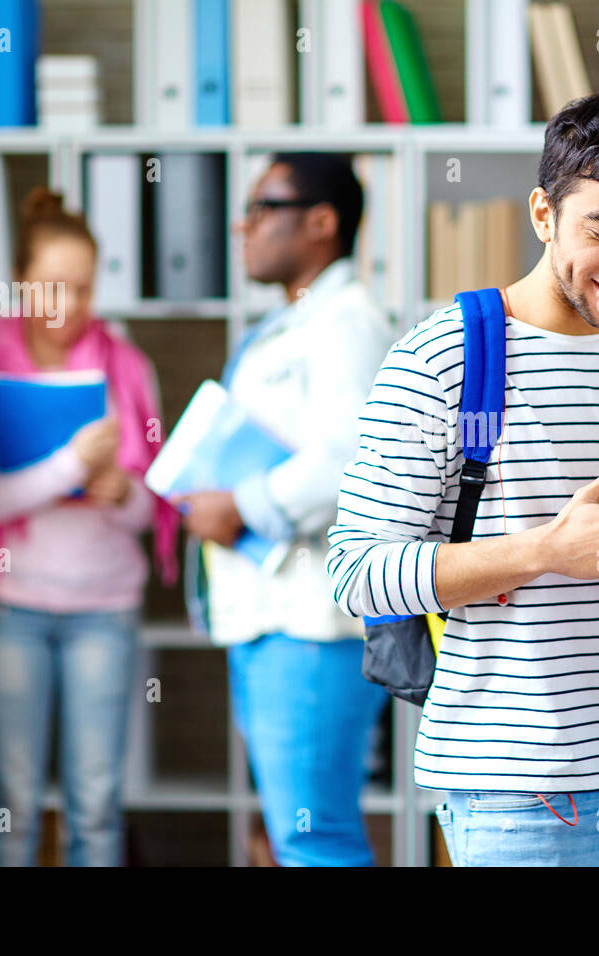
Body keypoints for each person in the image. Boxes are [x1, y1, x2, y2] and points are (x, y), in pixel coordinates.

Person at [326, 92, 599, 867]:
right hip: (517, 791)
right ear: (543, 214)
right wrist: (546, 548)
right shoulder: (443, 361)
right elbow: (356, 575)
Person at [175, 152, 395, 866]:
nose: (243, 225)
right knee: (295, 833)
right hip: (272, 618)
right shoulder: (296, 320)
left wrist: (238, 505)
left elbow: (349, 459)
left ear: (322, 222)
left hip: (311, 624)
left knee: (313, 837)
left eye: (263, 207)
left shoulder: (346, 321)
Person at [0, 187, 177, 866]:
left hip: (104, 610)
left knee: (97, 808)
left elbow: (155, 503)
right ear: (20, 282)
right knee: (13, 807)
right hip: (15, 609)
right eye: (53, 289)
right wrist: (68, 466)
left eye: (82, 289)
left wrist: (119, 492)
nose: (70, 307)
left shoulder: (128, 369)